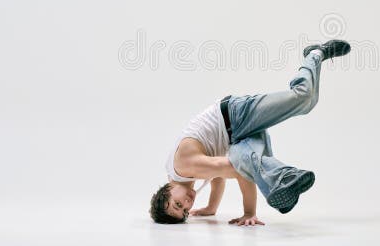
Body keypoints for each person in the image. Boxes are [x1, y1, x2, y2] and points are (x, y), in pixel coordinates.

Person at [148, 39, 351, 226]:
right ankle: (284, 178)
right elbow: (216, 178)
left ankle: (314, 53)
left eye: (177, 204)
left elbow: (238, 170)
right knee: (248, 158)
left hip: (236, 116)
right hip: (235, 136)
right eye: (184, 212)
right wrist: (212, 207)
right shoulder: (185, 179)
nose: (187, 205)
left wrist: (249, 212)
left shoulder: (185, 166)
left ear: (166, 190)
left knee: (304, 98)